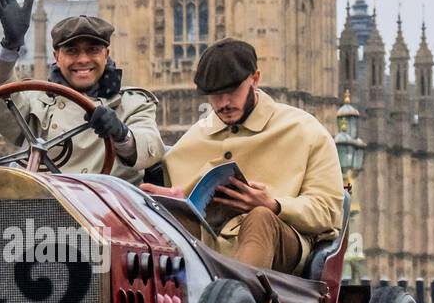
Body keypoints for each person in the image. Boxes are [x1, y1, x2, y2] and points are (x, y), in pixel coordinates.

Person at [141, 38, 344, 274]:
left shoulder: (305, 130)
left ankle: (233, 301)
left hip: (281, 246)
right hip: (206, 252)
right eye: (215, 95)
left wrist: (275, 205)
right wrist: (174, 202)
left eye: (232, 91)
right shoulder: (188, 143)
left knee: (260, 217)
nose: (224, 103)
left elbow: (329, 212)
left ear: (255, 79)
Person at [0, 0, 164, 180]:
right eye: (72, 51)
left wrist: (120, 133)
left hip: (107, 207)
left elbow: (150, 148)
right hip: (45, 205)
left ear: (106, 54)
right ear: (56, 56)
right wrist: (9, 46)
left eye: (92, 50)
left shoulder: (134, 103)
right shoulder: (34, 103)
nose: (82, 59)